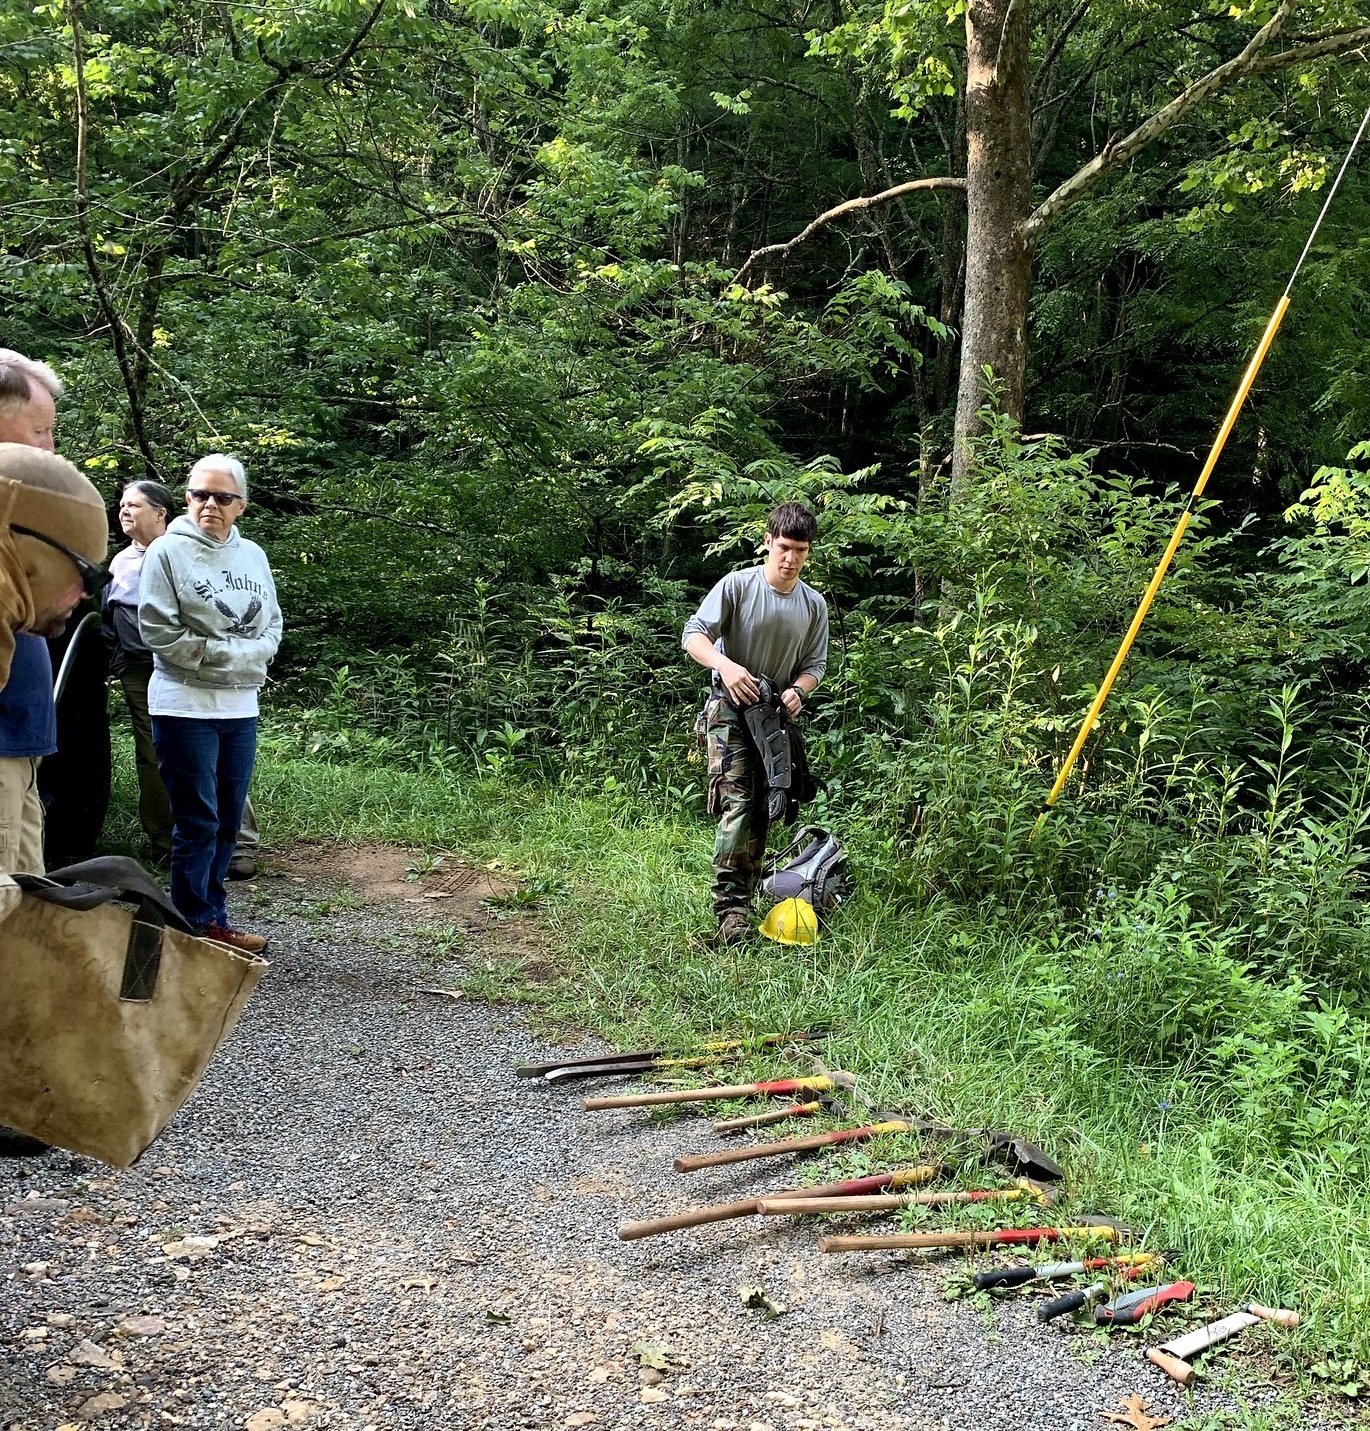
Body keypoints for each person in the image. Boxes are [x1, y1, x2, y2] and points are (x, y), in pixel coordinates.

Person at [138, 455, 280, 954]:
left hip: (240, 708)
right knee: (196, 821)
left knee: (225, 820)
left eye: (222, 497)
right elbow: (158, 630)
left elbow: (273, 627)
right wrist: (231, 657)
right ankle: (192, 925)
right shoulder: (166, 554)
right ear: (186, 498)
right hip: (184, 707)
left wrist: (231, 659)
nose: (210, 505)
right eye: (200, 494)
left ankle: (211, 917)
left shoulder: (254, 556)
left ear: (241, 505)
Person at [681, 502, 829, 945]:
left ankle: (746, 897)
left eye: (800, 551)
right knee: (738, 803)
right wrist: (726, 667)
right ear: (767, 542)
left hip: (774, 719)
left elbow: (815, 665)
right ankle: (731, 913)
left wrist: (799, 691)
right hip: (728, 707)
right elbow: (694, 635)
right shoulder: (737, 586)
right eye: (783, 547)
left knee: (766, 808)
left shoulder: (813, 605)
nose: (790, 559)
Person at [104, 480, 261, 874]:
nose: (124, 511)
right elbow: (110, 617)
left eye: (134, 505)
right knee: (153, 756)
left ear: (162, 513)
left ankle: (235, 844)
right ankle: (167, 841)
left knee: (219, 755)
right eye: (122, 505)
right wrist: (118, 660)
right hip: (141, 672)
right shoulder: (120, 562)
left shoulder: (193, 552)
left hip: (207, 667)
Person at [0, 352, 103, 875]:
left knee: (24, 914)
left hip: (22, 744)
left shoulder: (17, 523)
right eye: (40, 431)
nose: (50, 450)